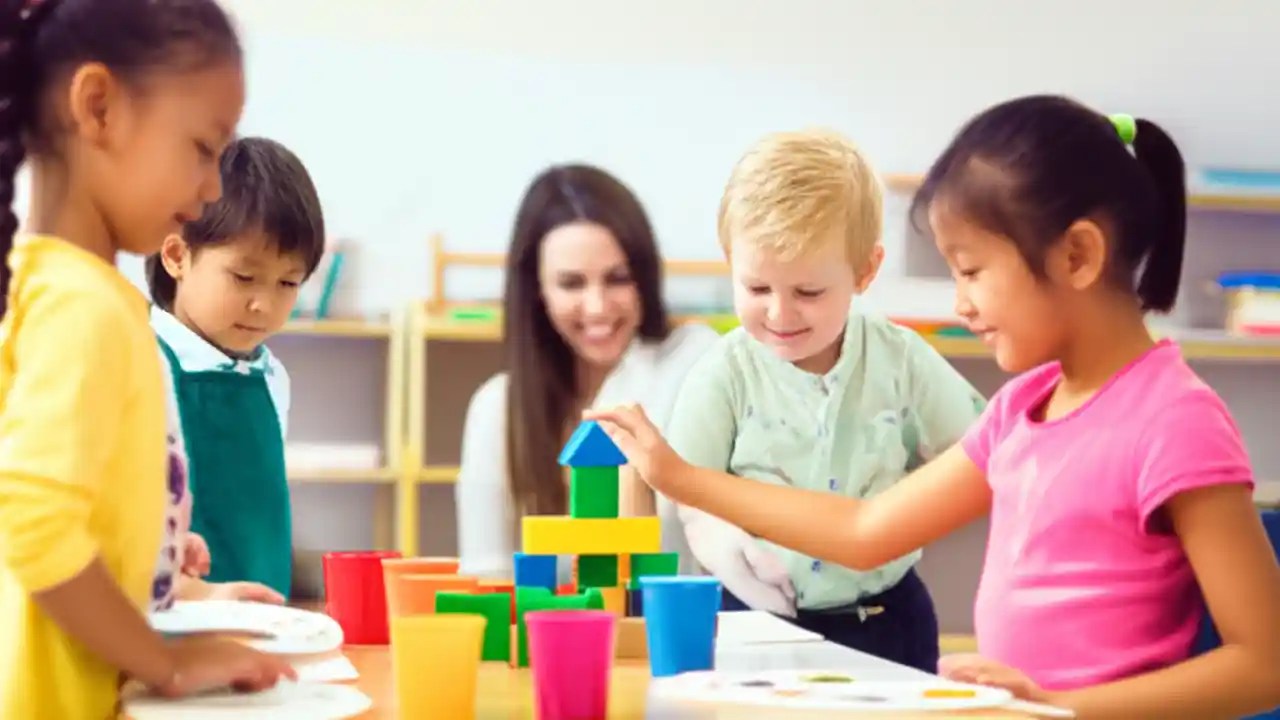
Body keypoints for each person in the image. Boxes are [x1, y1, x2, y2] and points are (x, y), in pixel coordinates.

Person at [589, 95, 1280, 720]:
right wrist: (679, 479)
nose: (959, 302)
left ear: (1076, 255)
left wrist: (1063, 708)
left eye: (972, 270)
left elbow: (1265, 666)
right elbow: (864, 530)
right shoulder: (1020, 411)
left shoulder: (1173, 421)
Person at [0, 1, 295, 717]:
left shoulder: (66, 288)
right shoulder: (86, 306)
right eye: (201, 149)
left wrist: (153, 544)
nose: (214, 188)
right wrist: (163, 662)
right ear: (98, 108)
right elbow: (32, 518)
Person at [657, 129, 985, 672]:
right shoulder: (723, 373)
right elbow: (684, 485)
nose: (781, 315)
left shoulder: (900, 359)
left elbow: (981, 448)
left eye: (808, 293)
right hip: (757, 617)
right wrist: (718, 539)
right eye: (758, 289)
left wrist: (906, 512)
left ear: (865, 271)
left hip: (887, 616)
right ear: (729, 260)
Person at [456, 164, 719, 580]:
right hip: (551, 640)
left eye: (617, 279)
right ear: (537, 290)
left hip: (671, 636)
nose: (597, 307)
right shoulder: (498, 408)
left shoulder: (694, 364)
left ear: (644, 277)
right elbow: (486, 576)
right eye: (572, 284)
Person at [145, 136, 326, 601]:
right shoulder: (141, 360)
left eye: (288, 282)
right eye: (243, 276)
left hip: (261, 621)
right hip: (170, 631)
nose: (263, 304)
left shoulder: (270, 379)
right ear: (176, 255)